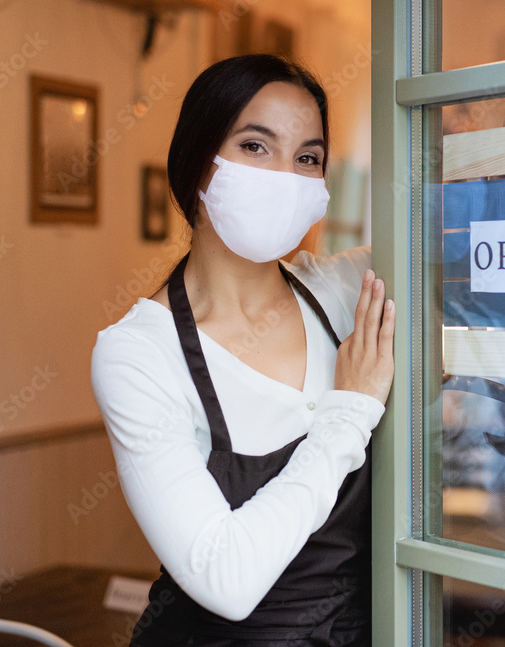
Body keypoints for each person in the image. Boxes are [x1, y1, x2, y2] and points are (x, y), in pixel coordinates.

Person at [90, 54, 394, 646]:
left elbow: (450, 241)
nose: (286, 175)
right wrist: (348, 413)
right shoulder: (138, 355)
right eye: (256, 147)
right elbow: (225, 579)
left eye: (308, 157)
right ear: (199, 163)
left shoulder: (338, 293)